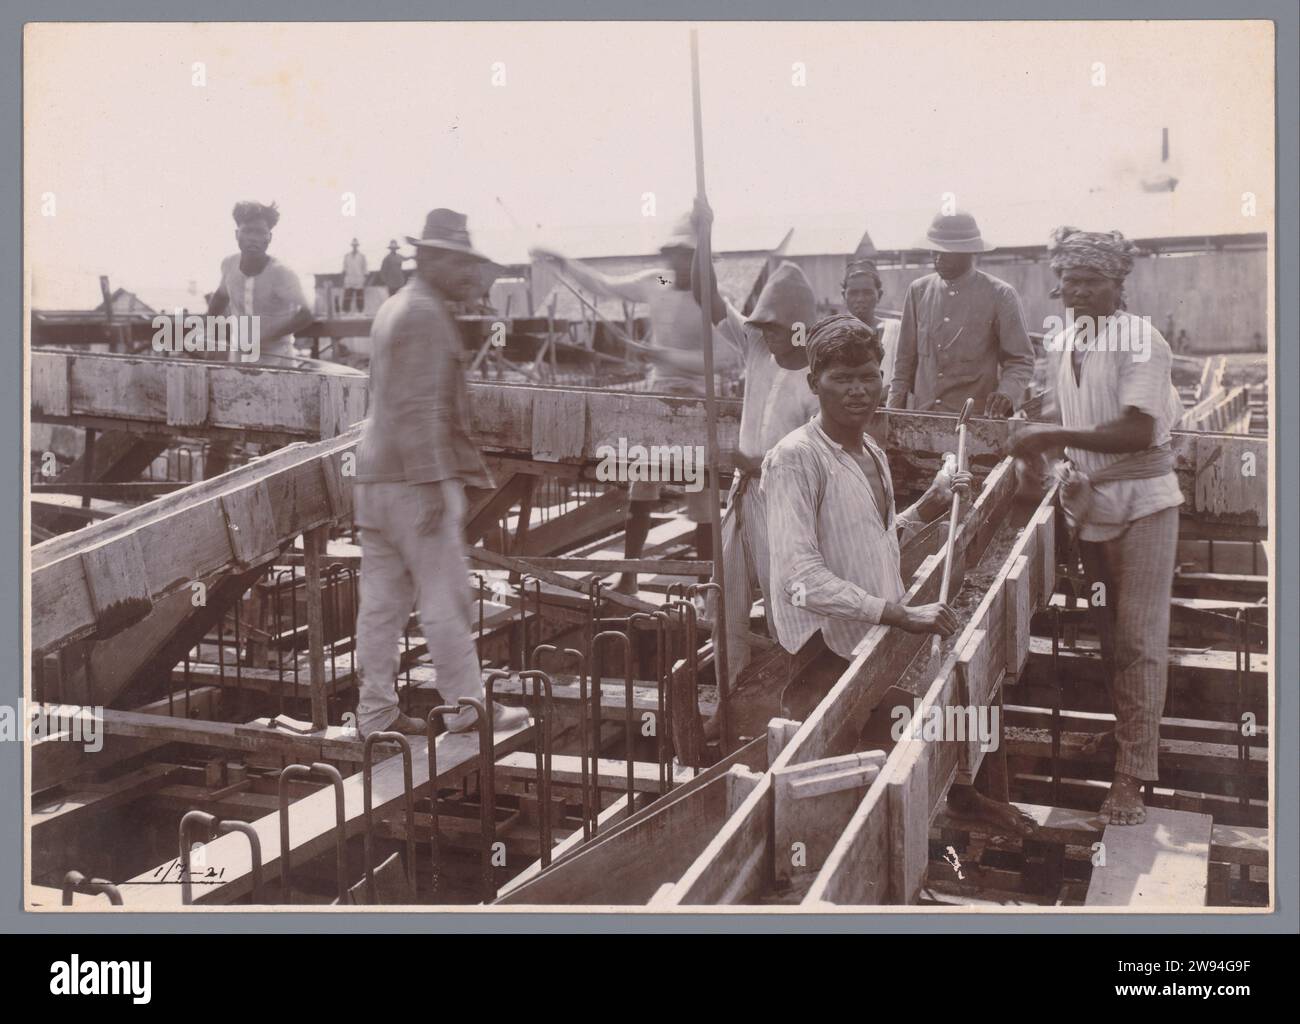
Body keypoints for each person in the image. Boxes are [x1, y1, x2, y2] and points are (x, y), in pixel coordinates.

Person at [764, 314, 1034, 834]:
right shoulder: (794, 460)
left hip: (871, 642)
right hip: (823, 653)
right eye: (842, 379)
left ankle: (960, 797)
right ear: (813, 383)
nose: (859, 391)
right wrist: (899, 613)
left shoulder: (872, 453)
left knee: (929, 737)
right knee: (833, 798)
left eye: (868, 376)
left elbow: (874, 542)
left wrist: (928, 507)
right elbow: (799, 579)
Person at [1011, 227, 1183, 826]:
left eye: (1092, 280)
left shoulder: (1143, 340)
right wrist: (1035, 428)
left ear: (1119, 283)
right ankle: (1132, 738)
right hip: (1092, 505)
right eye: (1070, 280)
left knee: (1139, 640)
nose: (1077, 291)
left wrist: (1052, 437)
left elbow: (1138, 430)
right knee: (1109, 639)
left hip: (1144, 503)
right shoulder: (1066, 342)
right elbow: (1066, 412)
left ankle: (1133, 777)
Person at [353, 208, 529, 738]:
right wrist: (432, 481)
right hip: (413, 482)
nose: (468, 275)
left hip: (374, 478)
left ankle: (375, 713)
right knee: (445, 595)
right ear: (431, 258)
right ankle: (466, 709)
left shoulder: (394, 307)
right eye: (460, 263)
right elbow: (420, 406)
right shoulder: (427, 314)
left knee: (382, 605)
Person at [530, 218, 740, 592]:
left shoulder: (713, 297)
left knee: (702, 494)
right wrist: (563, 261)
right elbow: (607, 287)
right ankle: (628, 577)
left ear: (701, 259)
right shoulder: (660, 282)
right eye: (674, 256)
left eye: (688, 257)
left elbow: (725, 357)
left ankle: (710, 585)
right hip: (656, 397)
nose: (679, 266)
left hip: (695, 403)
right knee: (641, 487)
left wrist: (663, 353)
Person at [687, 199, 821, 694]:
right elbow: (708, 297)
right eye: (765, 328)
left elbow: (815, 463)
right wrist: (706, 232)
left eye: (779, 329)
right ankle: (728, 694)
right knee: (725, 603)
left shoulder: (817, 381)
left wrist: (753, 462)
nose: (771, 337)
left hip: (785, 505)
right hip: (742, 500)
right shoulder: (758, 351)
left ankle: (795, 702)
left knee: (790, 607)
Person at [887, 210, 1035, 417]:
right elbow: (903, 363)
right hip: (922, 420)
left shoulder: (1000, 295)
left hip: (974, 425)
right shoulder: (918, 291)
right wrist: (892, 416)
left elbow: (1020, 360)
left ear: (970, 251)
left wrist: (1007, 393)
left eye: (947, 252)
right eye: (934, 251)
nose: (938, 259)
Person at [203, 200, 315, 477]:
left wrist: (265, 336)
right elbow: (220, 296)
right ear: (237, 234)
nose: (254, 238)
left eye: (260, 233)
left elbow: (308, 313)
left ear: (269, 237)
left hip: (277, 361)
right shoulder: (229, 265)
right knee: (223, 431)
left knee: (273, 436)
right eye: (248, 231)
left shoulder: (281, 273)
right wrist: (204, 328)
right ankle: (206, 495)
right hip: (239, 358)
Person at [842, 258, 902, 400]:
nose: (860, 299)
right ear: (843, 296)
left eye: (867, 292)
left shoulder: (895, 330)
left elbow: (902, 378)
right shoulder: (833, 333)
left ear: (879, 295)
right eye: (853, 293)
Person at [342, 238, 368, 314]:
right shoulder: (347, 256)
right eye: (353, 245)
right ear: (352, 246)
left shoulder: (362, 256)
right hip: (349, 279)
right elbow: (344, 268)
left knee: (360, 297)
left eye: (356, 245)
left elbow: (365, 269)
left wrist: (364, 280)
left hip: (359, 279)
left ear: (357, 246)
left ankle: (360, 311)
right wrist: (343, 279)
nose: (354, 247)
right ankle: (346, 311)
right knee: (347, 296)